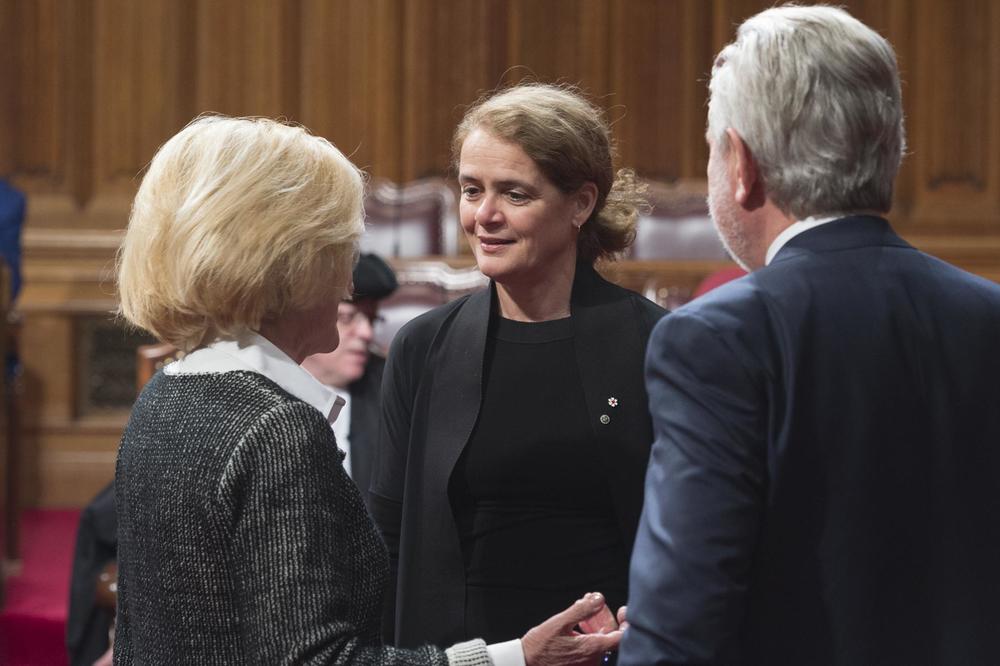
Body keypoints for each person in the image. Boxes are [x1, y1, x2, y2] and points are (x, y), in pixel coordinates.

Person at [115, 114, 623, 665]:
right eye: (338, 248)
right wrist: (514, 659)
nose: (348, 280)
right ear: (290, 261)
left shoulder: (163, 397)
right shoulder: (273, 429)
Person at [620, 5, 1000, 665]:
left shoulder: (718, 339)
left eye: (713, 148)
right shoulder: (989, 314)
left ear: (739, 164)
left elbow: (680, 629)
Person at [370, 84, 666, 650]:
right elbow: (390, 540)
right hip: (464, 656)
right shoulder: (422, 347)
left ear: (581, 204)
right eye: (471, 189)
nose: (485, 215)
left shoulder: (657, 345)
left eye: (515, 193)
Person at [302, 252, 397, 508]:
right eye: (347, 318)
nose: (366, 333)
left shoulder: (391, 390)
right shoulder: (263, 384)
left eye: (371, 318)